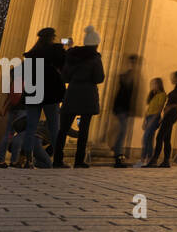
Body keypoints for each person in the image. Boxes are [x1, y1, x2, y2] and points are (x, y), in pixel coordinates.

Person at [54, 26, 106, 168]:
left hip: (72, 93)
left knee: (63, 129)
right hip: (88, 94)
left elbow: (65, 76)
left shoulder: (72, 56)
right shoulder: (95, 58)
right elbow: (99, 78)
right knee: (84, 130)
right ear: (96, 44)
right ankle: (79, 160)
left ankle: (57, 159)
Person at [20, 27, 67, 167]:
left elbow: (24, 74)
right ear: (52, 37)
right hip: (50, 92)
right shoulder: (55, 51)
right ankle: (58, 159)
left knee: (31, 127)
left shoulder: (32, 54)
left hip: (33, 91)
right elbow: (64, 67)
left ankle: (27, 159)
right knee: (54, 128)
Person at [145, 70, 177, 168]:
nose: (172, 79)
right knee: (166, 139)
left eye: (173, 77)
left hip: (170, 115)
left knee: (159, 137)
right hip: (170, 115)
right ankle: (166, 161)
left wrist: (170, 107)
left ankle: (154, 160)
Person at [0, 59, 27, 169]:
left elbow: (10, 95)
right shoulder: (30, 77)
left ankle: (1, 160)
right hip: (24, 109)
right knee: (21, 135)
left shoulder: (15, 77)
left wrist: (4, 107)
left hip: (12, 108)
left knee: (8, 133)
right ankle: (14, 160)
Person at [110, 55, 140, 167]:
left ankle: (118, 153)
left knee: (122, 131)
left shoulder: (132, 76)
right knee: (122, 131)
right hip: (121, 107)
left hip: (124, 108)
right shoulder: (127, 76)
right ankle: (117, 155)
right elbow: (124, 92)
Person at [139, 77, 166, 166]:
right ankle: (149, 159)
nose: (152, 86)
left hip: (154, 118)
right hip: (148, 117)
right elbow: (149, 109)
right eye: (151, 84)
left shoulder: (162, 95)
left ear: (159, 85)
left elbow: (159, 108)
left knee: (146, 138)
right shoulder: (153, 95)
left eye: (154, 84)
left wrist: (152, 120)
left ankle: (143, 158)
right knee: (149, 139)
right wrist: (144, 121)